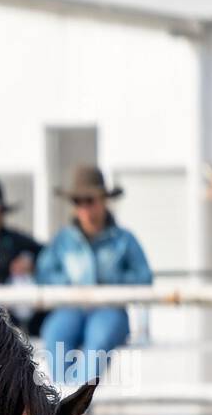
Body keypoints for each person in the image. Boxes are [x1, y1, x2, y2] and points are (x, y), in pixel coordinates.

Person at [36, 165, 152, 386]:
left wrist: (110, 284)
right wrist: (70, 285)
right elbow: (43, 274)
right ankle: (68, 401)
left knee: (98, 341)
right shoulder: (63, 240)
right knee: (54, 334)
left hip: (109, 309)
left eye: (90, 201)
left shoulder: (123, 239)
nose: (85, 208)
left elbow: (144, 278)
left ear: (103, 201)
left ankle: (74, 403)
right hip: (71, 307)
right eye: (79, 202)